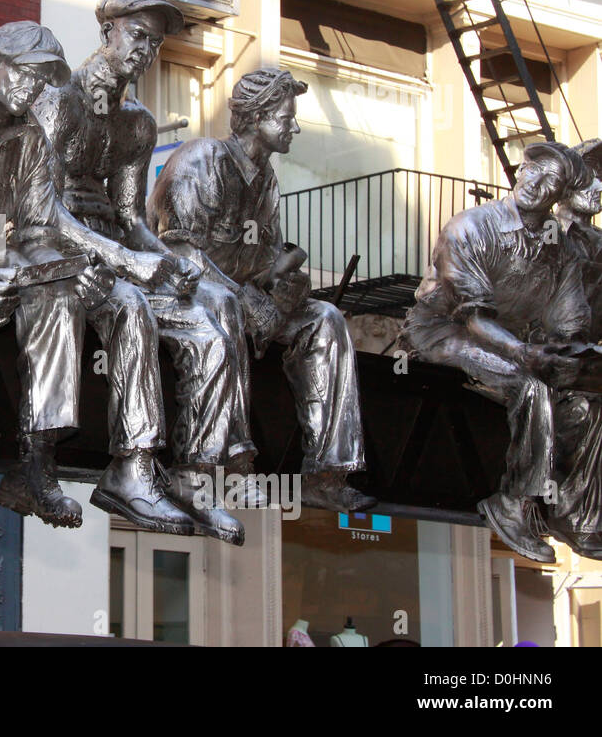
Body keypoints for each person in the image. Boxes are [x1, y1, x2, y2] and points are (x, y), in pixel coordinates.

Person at [0, 21, 192, 533]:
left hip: (0, 253)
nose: (32, 89)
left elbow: (46, 222)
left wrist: (112, 262)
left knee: (59, 291)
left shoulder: (32, 135)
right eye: (24, 75)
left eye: (41, 81)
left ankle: (36, 463)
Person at [33, 0, 256, 543]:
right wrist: (127, 260)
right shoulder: (59, 100)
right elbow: (40, 208)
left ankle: (193, 474)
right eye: (137, 36)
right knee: (130, 304)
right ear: (107, 31)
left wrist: (170, 262)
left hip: (116, 250)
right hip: (56, 251)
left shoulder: (136, 122)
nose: (146, 50)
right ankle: (131, 466)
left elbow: (131, 215)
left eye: (155, 42)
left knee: (207, 325)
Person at [149, 66, 374, 512]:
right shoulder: (202, 159)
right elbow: (176, 251)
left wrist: (285, 284)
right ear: (254, 117)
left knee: (325, 319)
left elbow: (262, 257)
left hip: (241, 296)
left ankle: (326, 473)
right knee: (227, 304)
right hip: (182, 294)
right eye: (285, 117)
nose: (295, 126)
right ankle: (230, 463)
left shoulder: (267, 181)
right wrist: (247, 297)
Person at [403, 142, 589, 562]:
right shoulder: (470, 227)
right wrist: (527, 355)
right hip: (441, 333)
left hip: (514, 342)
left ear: (560, 197)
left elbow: (568, 322)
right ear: (520, 171)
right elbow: (471, 318)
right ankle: (514, 502)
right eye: (531, 170)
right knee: (531, 385)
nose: (535, 184)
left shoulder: (561, 250)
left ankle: (574, 510)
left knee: (586, 398)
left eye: (552, 182)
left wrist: (576, 356)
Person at [542, 141, 602, 558]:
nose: (600, 188)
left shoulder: (597, 241)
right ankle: (575, 514)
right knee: (587, 410)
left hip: (588, 353)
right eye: (592, 178)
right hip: (549, 356)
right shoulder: (546, 235)